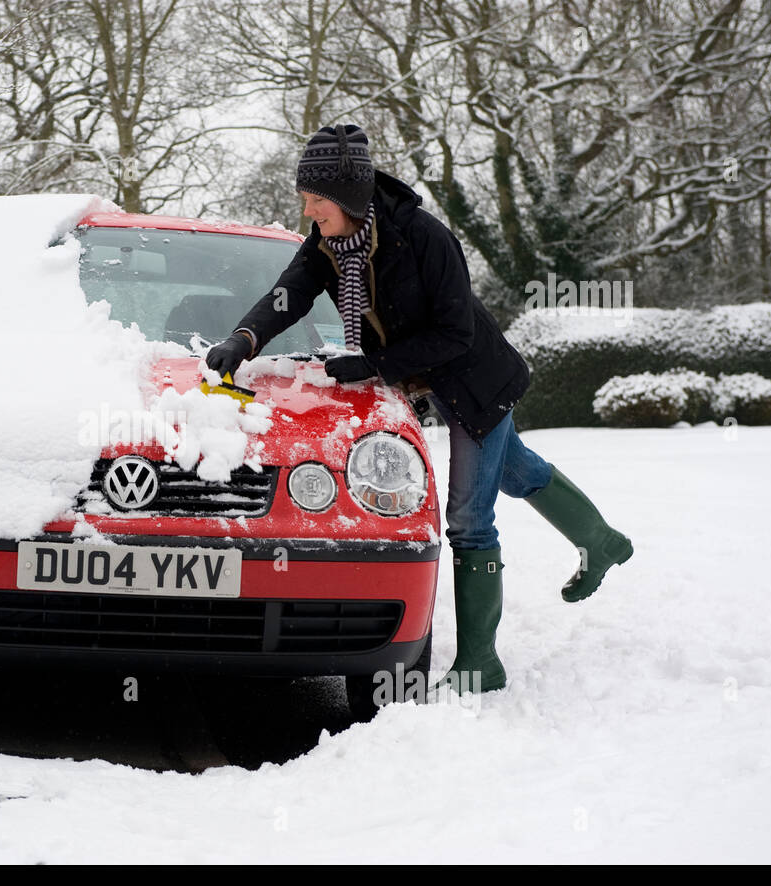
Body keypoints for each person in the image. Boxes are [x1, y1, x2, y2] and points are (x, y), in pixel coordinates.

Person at [206, 123, 634, 694]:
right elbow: (291, 294)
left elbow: (456, 332)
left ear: (350, 199)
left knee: (468, 519)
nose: (309, 213)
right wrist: (244, 339)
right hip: (430, 380)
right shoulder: (331, 245)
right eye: (306, 200)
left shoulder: (425, 238)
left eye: (317, 201)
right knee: (517, 471)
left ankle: (482, 662)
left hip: (476, 383)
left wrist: (376, 366)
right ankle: (601, 541)